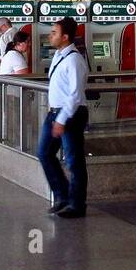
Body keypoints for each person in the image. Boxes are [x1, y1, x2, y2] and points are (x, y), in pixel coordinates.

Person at [37, 17, 89, 220]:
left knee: (74, 161)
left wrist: (62, 119)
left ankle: (76, 204)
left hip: (70, 115)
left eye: (54, 32)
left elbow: (75, 95)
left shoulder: (74, 60)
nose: (50, 35)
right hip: (55, 113)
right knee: (44, 153)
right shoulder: (60, 55)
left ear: (65, 37)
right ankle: (62, 197)